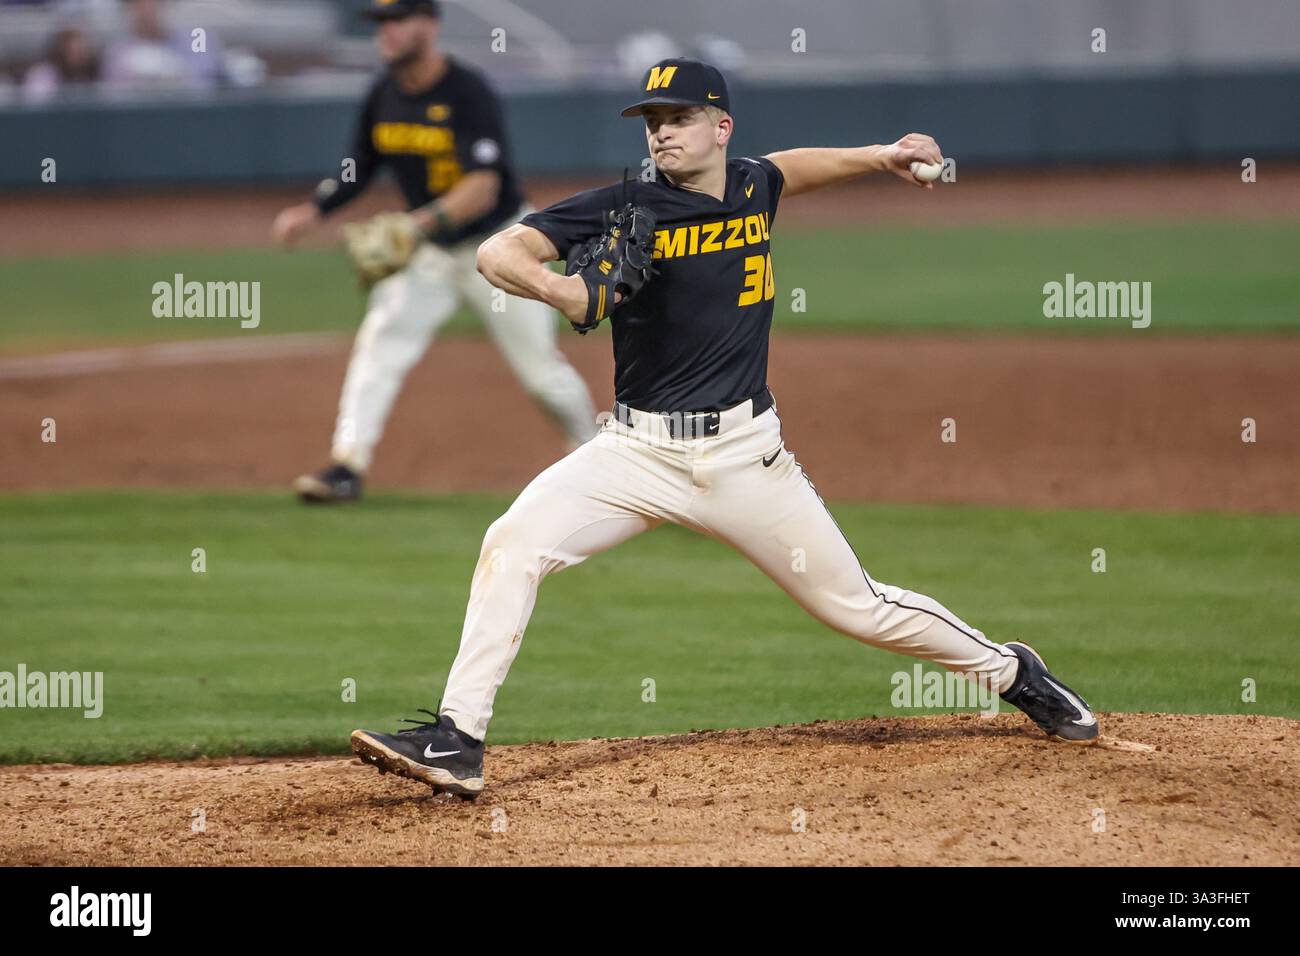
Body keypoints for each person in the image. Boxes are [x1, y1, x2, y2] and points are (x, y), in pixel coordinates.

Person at [350, 58, 1100, 798]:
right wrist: (564, 291)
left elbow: (788, 168)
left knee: (858, 607)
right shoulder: (626, 206)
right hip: (633, 453)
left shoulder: (751, 185)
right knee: (511, 543)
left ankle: (1013, 672)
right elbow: (494, 249)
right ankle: (459, 739)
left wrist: (882, 156)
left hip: (746, 459)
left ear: (720, 126)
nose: (661, 135)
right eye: (651, 121)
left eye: (677, 118)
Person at [274, 0, 597, 503]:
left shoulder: (468, 92)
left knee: (540, 374)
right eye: (381, 22)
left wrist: (416, 225)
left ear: (430, 24)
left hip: (500, 246)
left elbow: (484, 187)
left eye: (397, 19)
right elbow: (357, 165)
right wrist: (314, 210)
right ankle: (347, 465)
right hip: (429, 252)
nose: (386, 31)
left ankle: (596, 458)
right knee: (380, 345)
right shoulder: (383, 94)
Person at [101, 0, 224, 90]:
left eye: (152, 3)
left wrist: (173, 75)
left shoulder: (197, 38)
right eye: (137, 4)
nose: (146, 10)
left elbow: (207, 84)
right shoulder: (117, 52)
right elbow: (116, 95)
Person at [22, 25, 101, 103]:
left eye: (81, 49)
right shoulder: (43, 74)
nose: (77, 54)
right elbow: (35, 104)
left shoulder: (97, 72)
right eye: (72, 49)